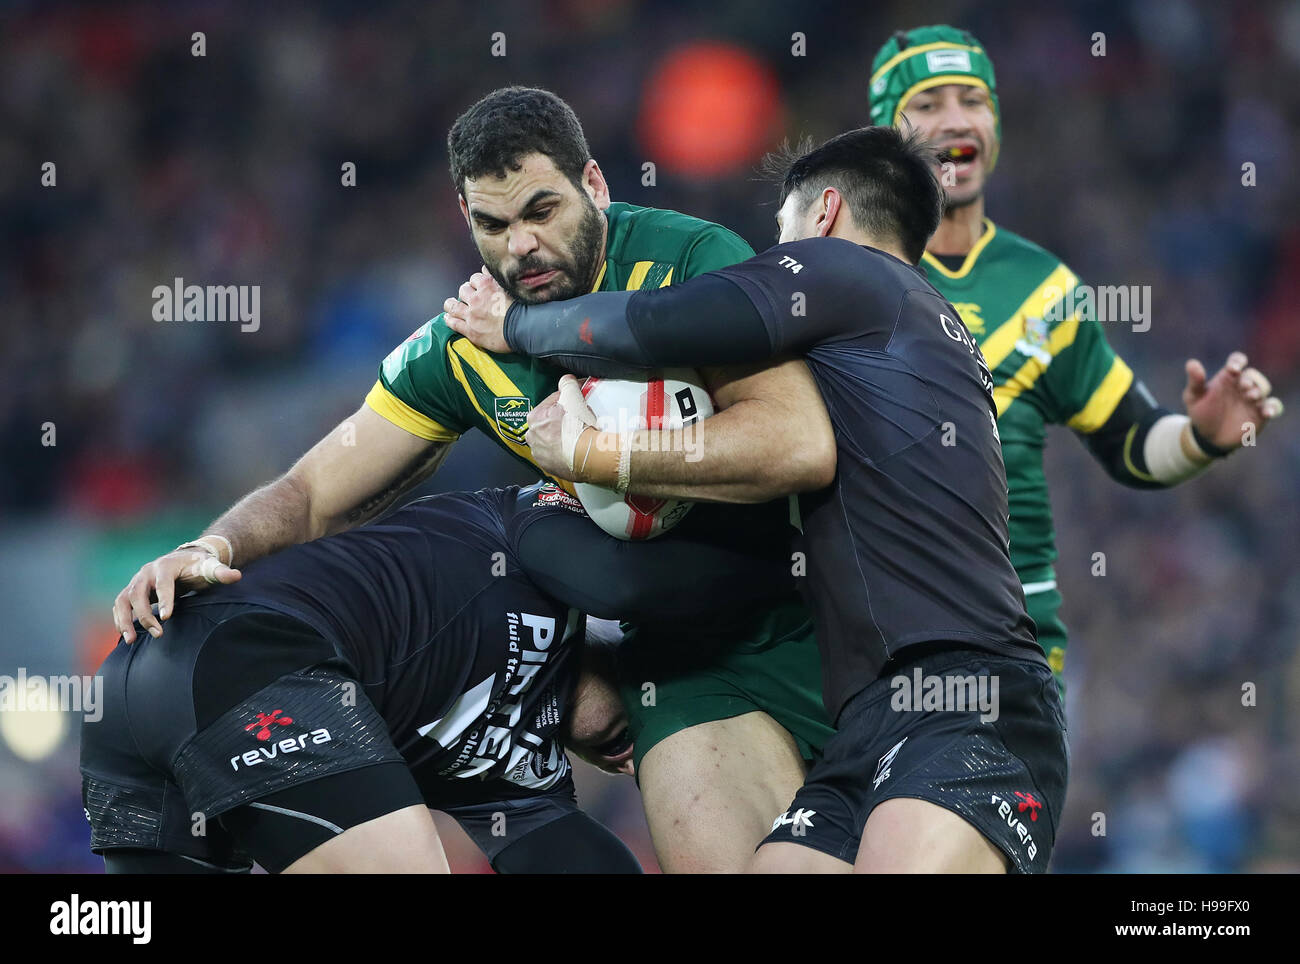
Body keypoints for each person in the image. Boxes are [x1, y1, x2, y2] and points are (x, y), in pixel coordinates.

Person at [110, 86, 838, 872]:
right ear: (466, 219)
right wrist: (210, 542)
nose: (522, 244)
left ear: (594, 186)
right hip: (686, 668)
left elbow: (798, 444)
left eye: (542, 211)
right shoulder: (463, 344)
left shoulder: (690, 260)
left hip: (823, 622)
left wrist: (602, 458)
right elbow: (314, 491)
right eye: (493, 225)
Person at [445, 125, 1070, 872]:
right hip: (870, 716)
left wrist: (515, 326)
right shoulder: (916, 333)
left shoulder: (846, 271)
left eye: (780, 240)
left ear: (826, 214)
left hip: (966, 691)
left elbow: (655, 322)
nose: (770, 262)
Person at [83, 481, 793, 873]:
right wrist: (799, 563)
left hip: (141, 713)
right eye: (648, 716)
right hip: (236, 647)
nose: (637, 750)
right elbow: (625, 584)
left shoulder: (519, 774)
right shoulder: (524, 529)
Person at [868, 24, 1285, 682]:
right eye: (928, 104)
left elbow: (1130, 441)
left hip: (1009, 653)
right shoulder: (839, 277)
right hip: (861, 641)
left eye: (973, 99)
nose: (957, 120)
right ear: (888, 134)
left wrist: (1198, 436)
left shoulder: (1044, 287)